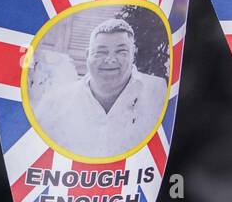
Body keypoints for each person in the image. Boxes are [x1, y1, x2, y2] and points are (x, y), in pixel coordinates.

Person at [36, 16, 168, 158]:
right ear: (87, 55)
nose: (110, 59)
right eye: (101, 52)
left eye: (121, 52)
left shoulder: (159, 92)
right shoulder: (55, 102)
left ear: (133, 54)